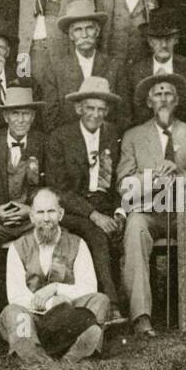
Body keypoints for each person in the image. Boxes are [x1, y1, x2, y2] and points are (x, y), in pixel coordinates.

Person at [116, 73, 186, 337]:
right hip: (149, 212)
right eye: (157, 94)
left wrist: (179, 172)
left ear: (177, 100)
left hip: (182, 212)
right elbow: (123, 184)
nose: (163, 99)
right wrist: (151, 179)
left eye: (169, 94)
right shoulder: (133, 136)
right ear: (149, 102)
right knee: (135, 226)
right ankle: (141, 316)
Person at [0, 187, 110, 363]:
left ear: (61, 214)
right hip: (34, 319)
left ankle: (73, 355)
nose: (46, 218)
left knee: (100, 301)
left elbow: (89, 287)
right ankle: (37, 356)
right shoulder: (18, 247)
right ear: (31, 216)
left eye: (51, 211)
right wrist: (50, 303)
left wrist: (56, 289)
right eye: (40, 212)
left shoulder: (78, 244)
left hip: (70, 320)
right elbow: (16, 295)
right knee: (12, 312)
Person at [45, 76, 126, 315]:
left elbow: (120, 179)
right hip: (71, 208)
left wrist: (119, 213)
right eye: (90, 108)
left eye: (101, 109)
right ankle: (111, 305)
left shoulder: (113, 133)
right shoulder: (60, 137)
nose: (95, 114)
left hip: (105, 204)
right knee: (97, 233)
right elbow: (59, 189)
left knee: (123, 231)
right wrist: (93, 215)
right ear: (79, 108)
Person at [117, 7, 186, 130]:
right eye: (158, 39)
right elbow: (131, 115)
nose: (164, 45)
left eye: (168, 38)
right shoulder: (136, 72)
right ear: (150, 41)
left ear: (176, 39)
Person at [0, 86, 47, 245]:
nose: (21, 120)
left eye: (26, 114)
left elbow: (53, 185)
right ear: (5, 116)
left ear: (33, 116)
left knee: (50, 239)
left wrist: (32, 210)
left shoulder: (44, 142)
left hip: (32, 220)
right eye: (15, 113)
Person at [43, 0, 116, 130]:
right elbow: (51, 115)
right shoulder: (56, 69)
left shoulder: (113, 66)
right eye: (78, 30)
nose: (84, 35)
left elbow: (122, 113)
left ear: (97, 31)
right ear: (71, 35)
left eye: (89, 28)